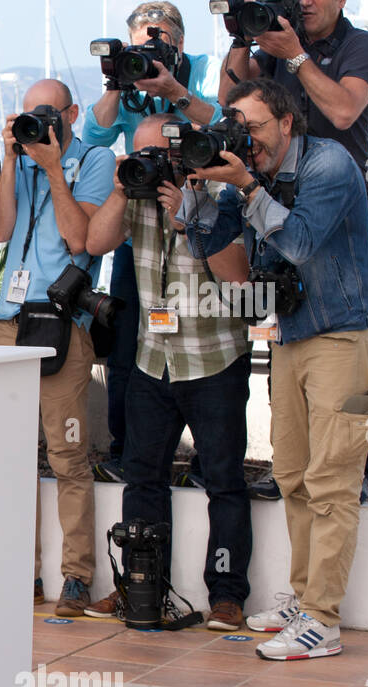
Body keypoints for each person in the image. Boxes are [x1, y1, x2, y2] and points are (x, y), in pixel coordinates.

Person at [184, 79, 368, 660]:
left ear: (288, 122)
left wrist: (245, 185)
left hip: (343, 340)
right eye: (236, 127)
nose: (245, 139)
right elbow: (210, 247)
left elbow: (295, 243)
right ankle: (303, 600)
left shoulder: (329, 164)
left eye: (254, 128)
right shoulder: (250, 171)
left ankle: (323, 619)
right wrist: (197, 186)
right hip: (290, 338)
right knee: (294, 475)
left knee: (333, 481)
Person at [85, 115, 253, 631]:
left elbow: (240, 277)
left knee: (223, 482)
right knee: (143, 478)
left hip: (214, 359)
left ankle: (226, 596)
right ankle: (140, 586)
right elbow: (95, 243)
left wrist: (192, 214)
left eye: (157, 154)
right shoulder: (135, 197)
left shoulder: (222, 196)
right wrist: (119, 189)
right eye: (140, 154)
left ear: (182, 153)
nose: (149, 163)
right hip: (151, 359)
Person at [219, 0, 368, 503]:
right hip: (278, 190)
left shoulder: (361, 46)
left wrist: (294, 56)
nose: (305, 2)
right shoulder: (274, 42)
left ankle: (357, 467)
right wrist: (242, 36)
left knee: (344, 316)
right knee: (287, 312)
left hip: (338, 196)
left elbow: (341, 110)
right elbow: (231, 104)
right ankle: (293, 459)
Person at [0, 78, 116, 616]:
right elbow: (0, 230)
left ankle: (76, 577)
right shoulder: (19, 158)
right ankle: (22, 574)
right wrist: (10, 160)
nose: (37, 123)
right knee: (11, 458)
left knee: (67, 457)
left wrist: (53, 167)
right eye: (28, 115)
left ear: (71, 113)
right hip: (8, 321)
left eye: (45, 114)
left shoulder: (97, 160)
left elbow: (79, 239)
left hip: (62, 322)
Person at [82, 1, 223, 481]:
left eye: (158, 40)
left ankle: (211, 458)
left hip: (194, 208)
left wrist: (175, 90)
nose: (150, 50)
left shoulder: (202, 70)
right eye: (142, 42)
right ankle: (127, 450)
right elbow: (94, 135)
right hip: (141, 213)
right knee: (128, 340)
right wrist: (118, 82)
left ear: (179, 42)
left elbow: (221, 122)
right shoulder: (129, 76)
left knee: (212, 333)